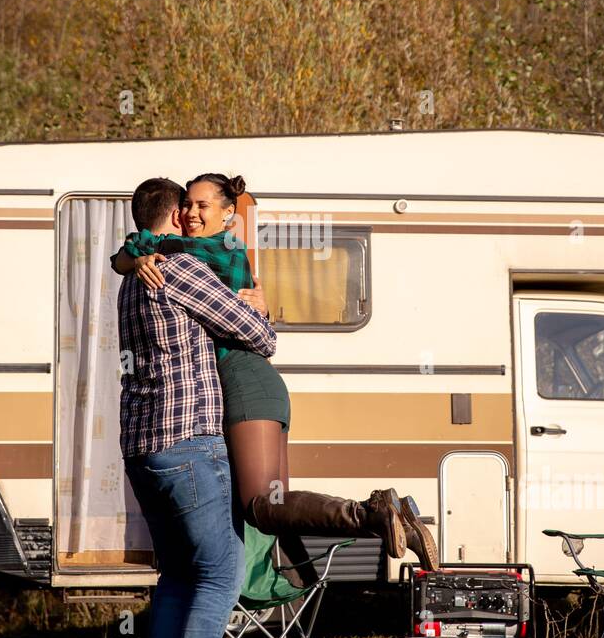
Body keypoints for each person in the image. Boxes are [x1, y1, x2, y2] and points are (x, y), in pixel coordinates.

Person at [112, 172, 438, 571]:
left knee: (261, 506)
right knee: (274, 508)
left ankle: (373, 513)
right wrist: (134, 259)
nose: (191, 214)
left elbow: (138, 247)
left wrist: (135, 257)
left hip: (243, 380)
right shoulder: (210, 250)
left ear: (229, 213)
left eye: (201, 206)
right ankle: (366, 533)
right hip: (258, 383)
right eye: (188, 206)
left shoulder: (192, 252)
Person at [116, 175, 278, 638]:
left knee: (178, 574)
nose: (191, 215)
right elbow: (259, 336)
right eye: (185, 207)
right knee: (220, 569)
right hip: (188, 441)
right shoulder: (182, 269)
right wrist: (253, 304)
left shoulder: (133, 280)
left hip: (142, 448)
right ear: (173, 215)